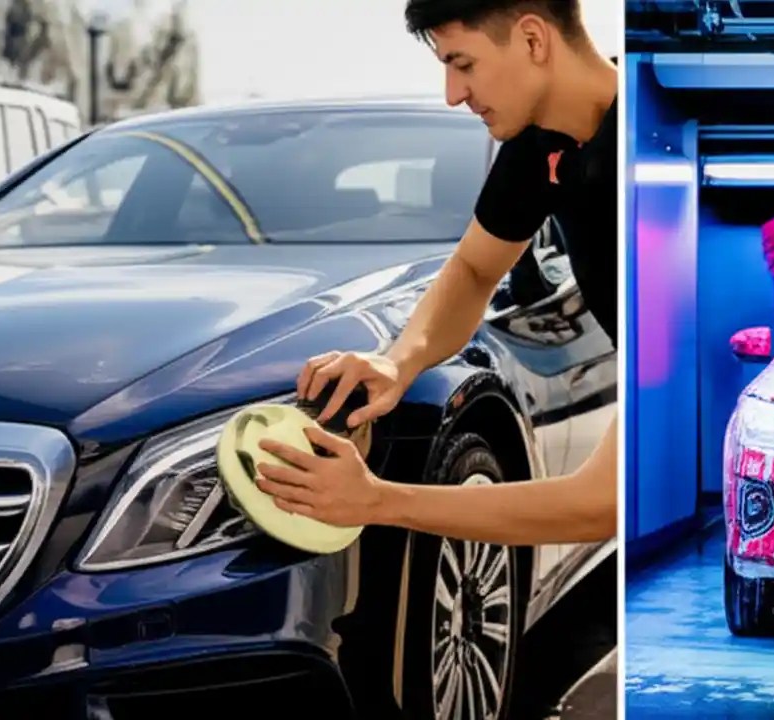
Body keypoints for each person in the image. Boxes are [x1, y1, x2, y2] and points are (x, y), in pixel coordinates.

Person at [253, 0, 618, 546]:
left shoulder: (633, 161)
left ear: (533, 41)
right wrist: (398, 361)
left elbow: (597, 505)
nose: (453, 93)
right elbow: (474, 268)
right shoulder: (539, 146)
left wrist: (377, 500)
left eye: (463, 64)